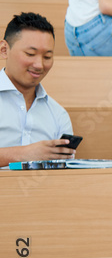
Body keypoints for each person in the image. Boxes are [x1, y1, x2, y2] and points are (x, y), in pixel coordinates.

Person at [0, 12, 75, 167]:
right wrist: (23, 154)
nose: (39, 65)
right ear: (4, 50)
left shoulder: (58, 115)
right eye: (30, 54)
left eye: (47, 57)